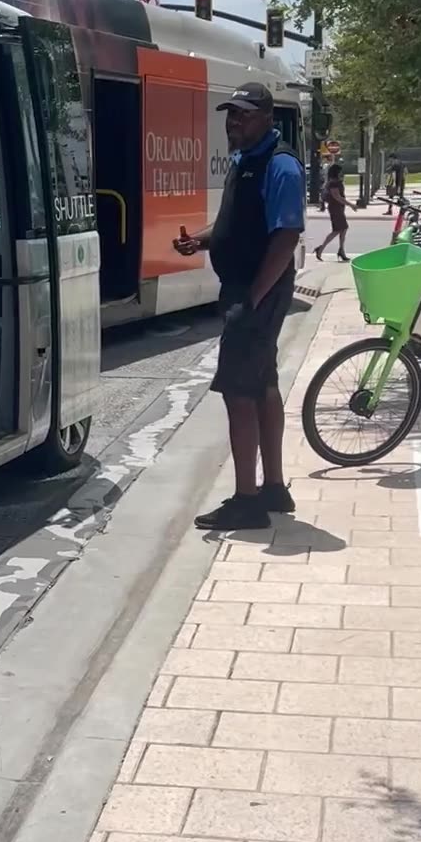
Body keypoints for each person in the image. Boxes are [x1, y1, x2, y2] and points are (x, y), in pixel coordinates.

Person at [174, 83, 305, 531]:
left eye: (244, 115)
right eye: (231, 115)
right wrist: (202, 240)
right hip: (246, 289)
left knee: (238, 393)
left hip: (256, 293)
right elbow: (236, 221)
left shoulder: (281, 165)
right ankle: (273, 488)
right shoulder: (244, 159)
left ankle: (246, 500)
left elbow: (286, 237)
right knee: (263, 384)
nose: (234, 122)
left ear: (268, 118)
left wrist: (253, 299)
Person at [315, 161, 349, 262]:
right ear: (336, 172)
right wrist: (351, 205)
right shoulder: (333, 183)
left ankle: (341, 250)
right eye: (340, 172)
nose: (341, 173)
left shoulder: (334, 181)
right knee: (338, 230)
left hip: (338, 208)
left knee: (343, 229)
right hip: (335, 209)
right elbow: (337, 197)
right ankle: (321, 248)